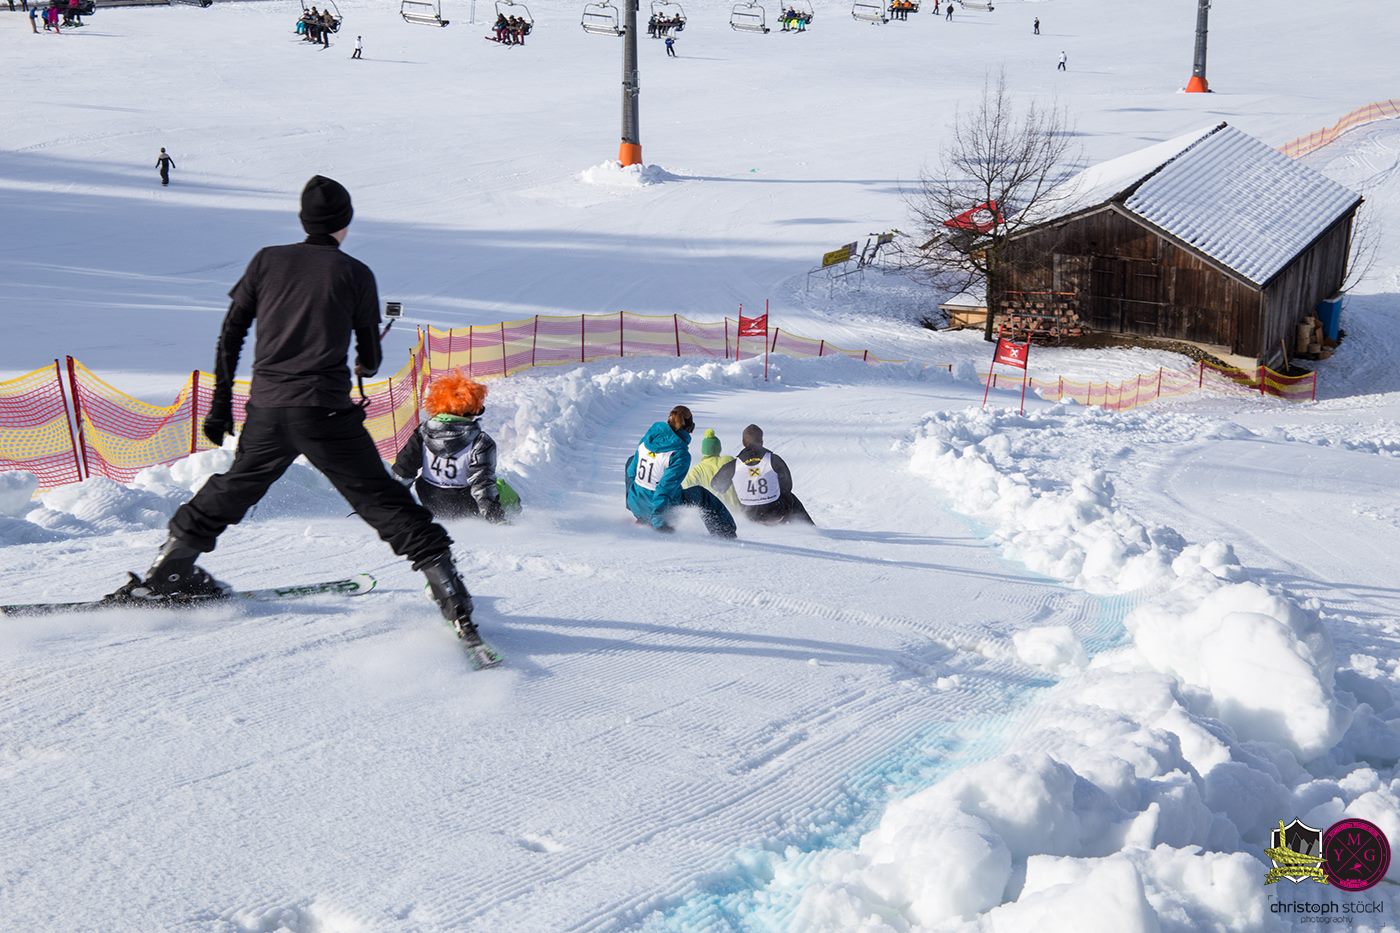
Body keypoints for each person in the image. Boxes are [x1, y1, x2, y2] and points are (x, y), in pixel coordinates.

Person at [105, 175, 484, 647]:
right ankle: (450, 594)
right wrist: (365, 359)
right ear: (344, 222)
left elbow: (232, 332)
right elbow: (370, 353)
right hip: (324, 412)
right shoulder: (355, 273)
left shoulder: (267, 260)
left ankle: (168, 571)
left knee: (233, 488)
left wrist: (221, 401)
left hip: (268, 409)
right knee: (381, 500)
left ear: (304, 219)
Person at [391, 371, 508, 524]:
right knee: (505, 490)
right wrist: (496, 518)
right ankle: (507, 518)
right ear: (472, 410)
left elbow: (403, 469)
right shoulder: (480, 441)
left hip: (430, 499)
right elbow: (482, 483)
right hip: (467, 504)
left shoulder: (423, 432)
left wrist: (389, 504)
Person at [626, 406, 736, 538]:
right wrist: (658, 522)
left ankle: (640, 511)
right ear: (689, 428)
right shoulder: (679, 454)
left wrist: (634, 502)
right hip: (656, 511)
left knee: (631, 461)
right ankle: (726, 533)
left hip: (636, 502)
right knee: (701, 494)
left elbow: (631, 472)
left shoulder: (647, 440)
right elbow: (664, 489)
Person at [710, 424, 814, 526]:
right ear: (762, 442)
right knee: (792, 499)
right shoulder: (774, 460)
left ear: (743, 442)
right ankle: (809, 529)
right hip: (777, 513)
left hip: (750, 516)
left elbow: (716, 486)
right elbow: (788, 486)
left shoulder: (734, 465)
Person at [684, 429, 739, 509]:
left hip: (715, 513)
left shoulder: (697, 470)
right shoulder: (729, 460)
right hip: (737, 510)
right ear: (718, 448)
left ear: (703, 450)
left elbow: (685, 488)